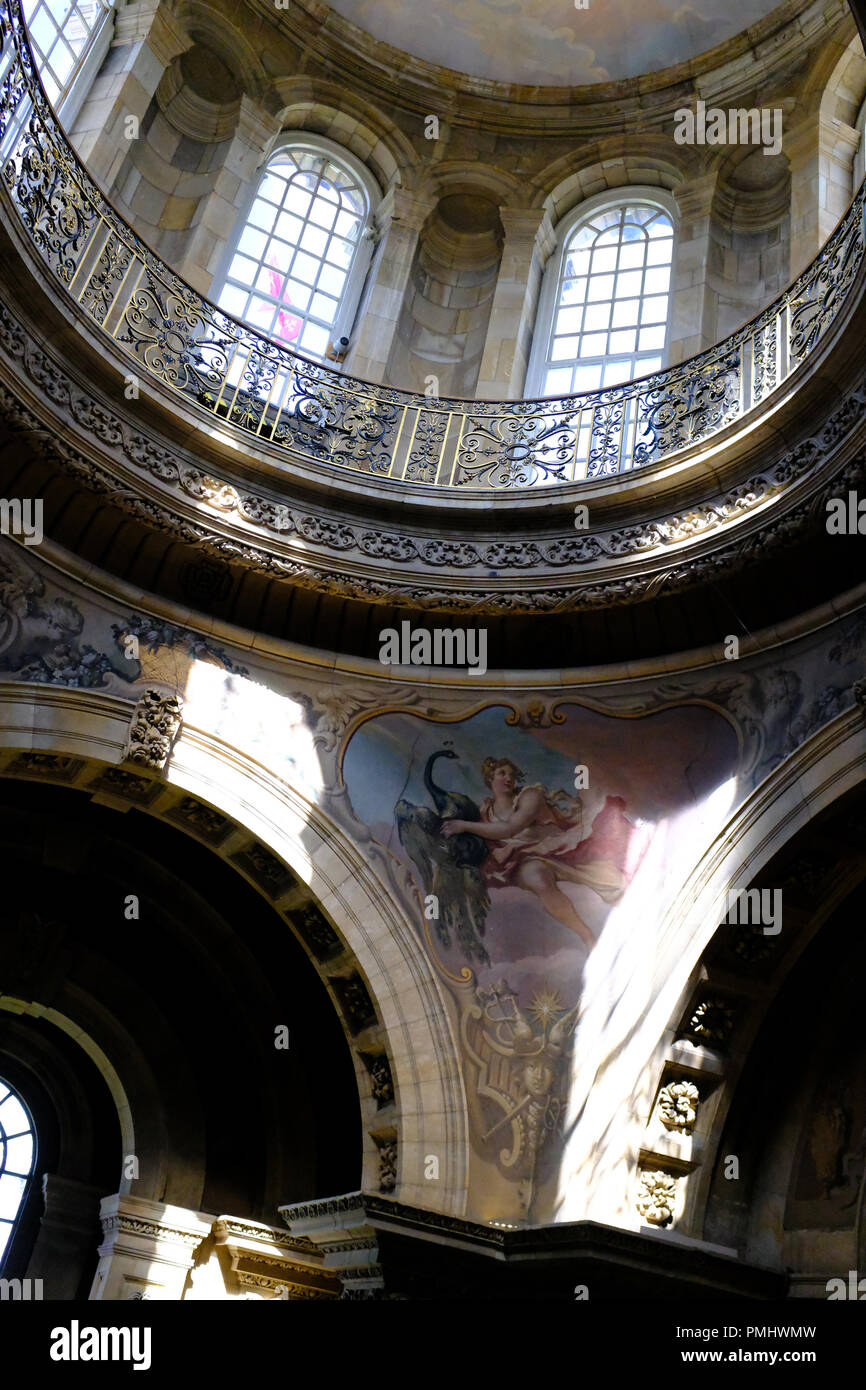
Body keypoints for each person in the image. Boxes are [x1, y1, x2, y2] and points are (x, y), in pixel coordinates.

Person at [441, 756, 635, 949]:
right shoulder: (486, 810)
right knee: (537, 878)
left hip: (558, 849)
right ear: (490, 779)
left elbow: (510, 829)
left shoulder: (530, 796)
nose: (509, 777)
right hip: (524, 858)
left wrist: (464, 826)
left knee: (614, 881)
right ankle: (588, 938)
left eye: (511, 774)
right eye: (502, 773)